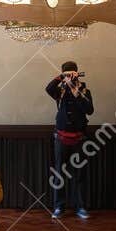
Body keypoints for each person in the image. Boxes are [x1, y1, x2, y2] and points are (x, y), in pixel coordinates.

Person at [45, 61, 95, 219]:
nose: (70, 77)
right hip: (61, 138)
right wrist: (61, 78)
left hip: (79, 138)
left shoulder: (84, 91)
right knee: (59, 174)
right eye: (67, 74)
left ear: (77, 73)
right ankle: (59, 207)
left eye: (72, 74)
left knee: (80, 175)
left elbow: (89, 110)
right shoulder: (59, 91)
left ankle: (81, 207)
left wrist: (76, 92)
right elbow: (48, 88)